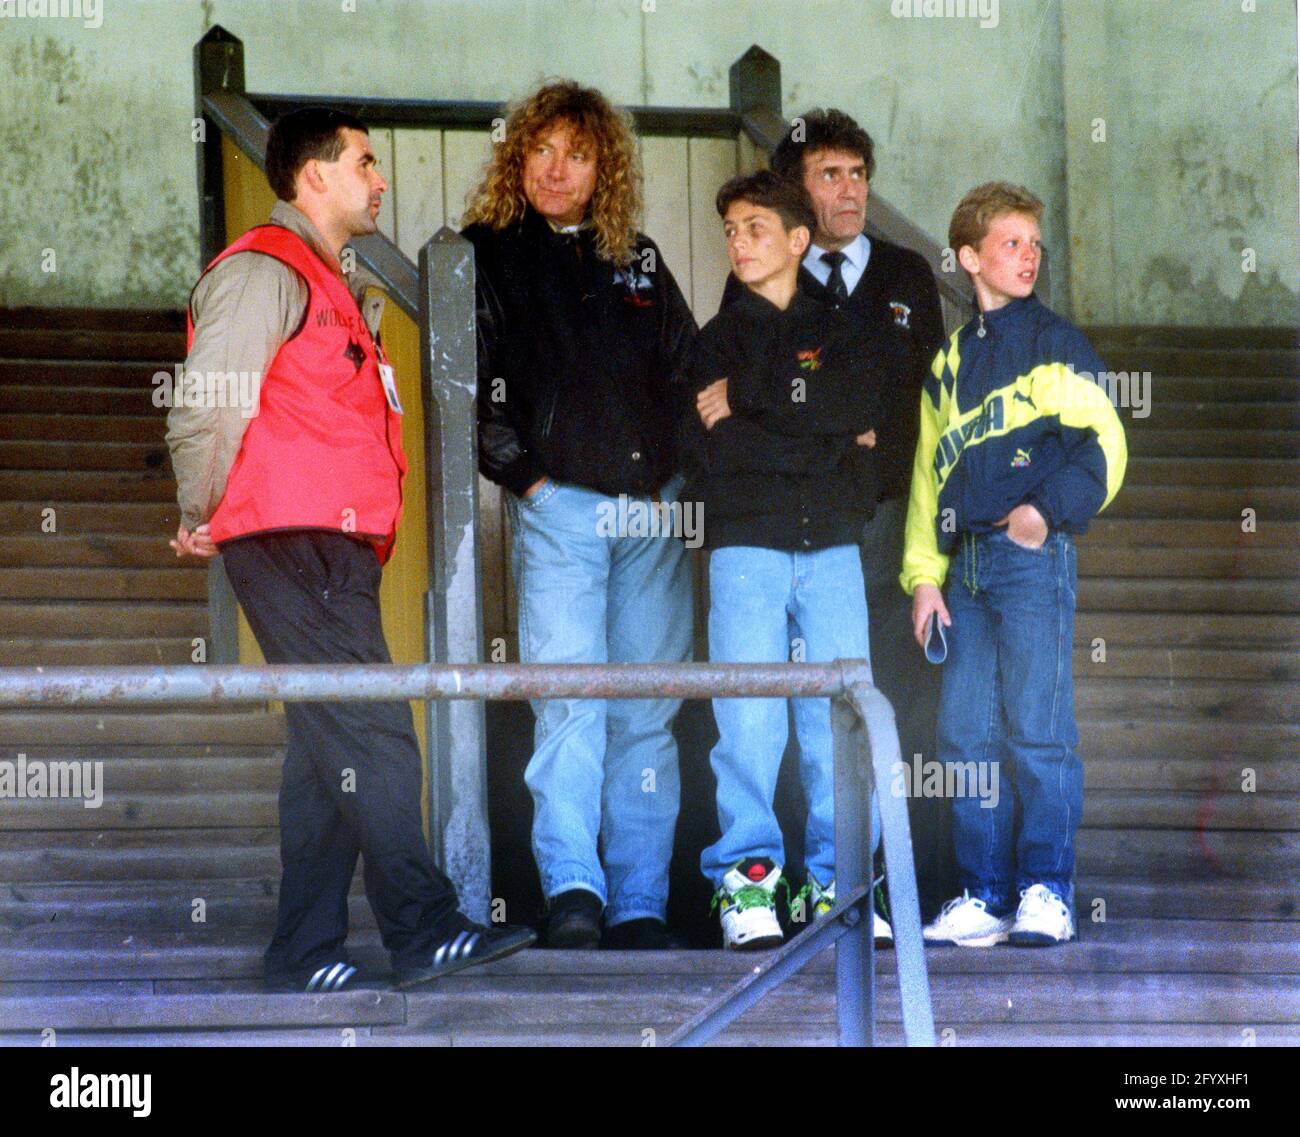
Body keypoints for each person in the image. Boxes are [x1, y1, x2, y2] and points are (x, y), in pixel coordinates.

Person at [166, 107, 535, 991]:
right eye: (365, 162)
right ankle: (424, 927)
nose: (380, 180)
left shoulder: (324, 277)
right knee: (376, 731)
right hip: (295, 539)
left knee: (323, 750)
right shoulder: (265, 266)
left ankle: (302, 949)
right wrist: (200, 507)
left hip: (328, 546)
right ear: (314, 175)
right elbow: (208, 400)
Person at [462, 81, 698, 950]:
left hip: (653, 515)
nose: (558, 169)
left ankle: (639, 902)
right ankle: (572, 892)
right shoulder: (484, 254)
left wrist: (677, 482)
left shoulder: (635, 256)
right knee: (570, 703)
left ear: (606, 169)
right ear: (518, 157)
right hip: (559, 509)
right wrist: (527, 480)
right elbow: (471, 387)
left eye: (579, 153)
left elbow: (689, 370)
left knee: (647, 707)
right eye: (543, 150)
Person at [723, 109, 952, 917]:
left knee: (880, 699)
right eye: (830, 174)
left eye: (858, 173)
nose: (851, 190)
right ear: (796, 188)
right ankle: (773, 881)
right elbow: (738, 406)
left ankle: (889, 880)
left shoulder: (906, 273)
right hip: (785, 519)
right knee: (771, 707)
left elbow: (925, 401)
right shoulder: (761, 265)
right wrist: (832, 430)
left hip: (888, 511)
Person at [902, 182, 1127, 947]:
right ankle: (981, 894)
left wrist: (1044, 513)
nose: (1028, 255)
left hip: (1031, 558)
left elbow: (1105, 442)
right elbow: (927, 481)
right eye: (1010, 243)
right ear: (968, 258)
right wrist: (923, 574)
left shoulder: (1056, 341)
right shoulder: (947, 363)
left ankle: (1046, 890)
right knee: (965, 734)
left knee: (1038, 729)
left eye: (1035, 244)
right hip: (962, 565)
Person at [682, 170, 890, 950]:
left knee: (839, 720)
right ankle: (748, 885)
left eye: (755, 227)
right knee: (748, 720)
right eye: (730, 229)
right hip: (746, 544)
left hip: (833, 546)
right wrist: (823, 436)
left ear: (800, 240)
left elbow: (863, 409)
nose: (738, 241)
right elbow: (715, 448)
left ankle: (841, 889)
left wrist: (758, 401)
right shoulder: (713, 340)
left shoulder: (846, 328)